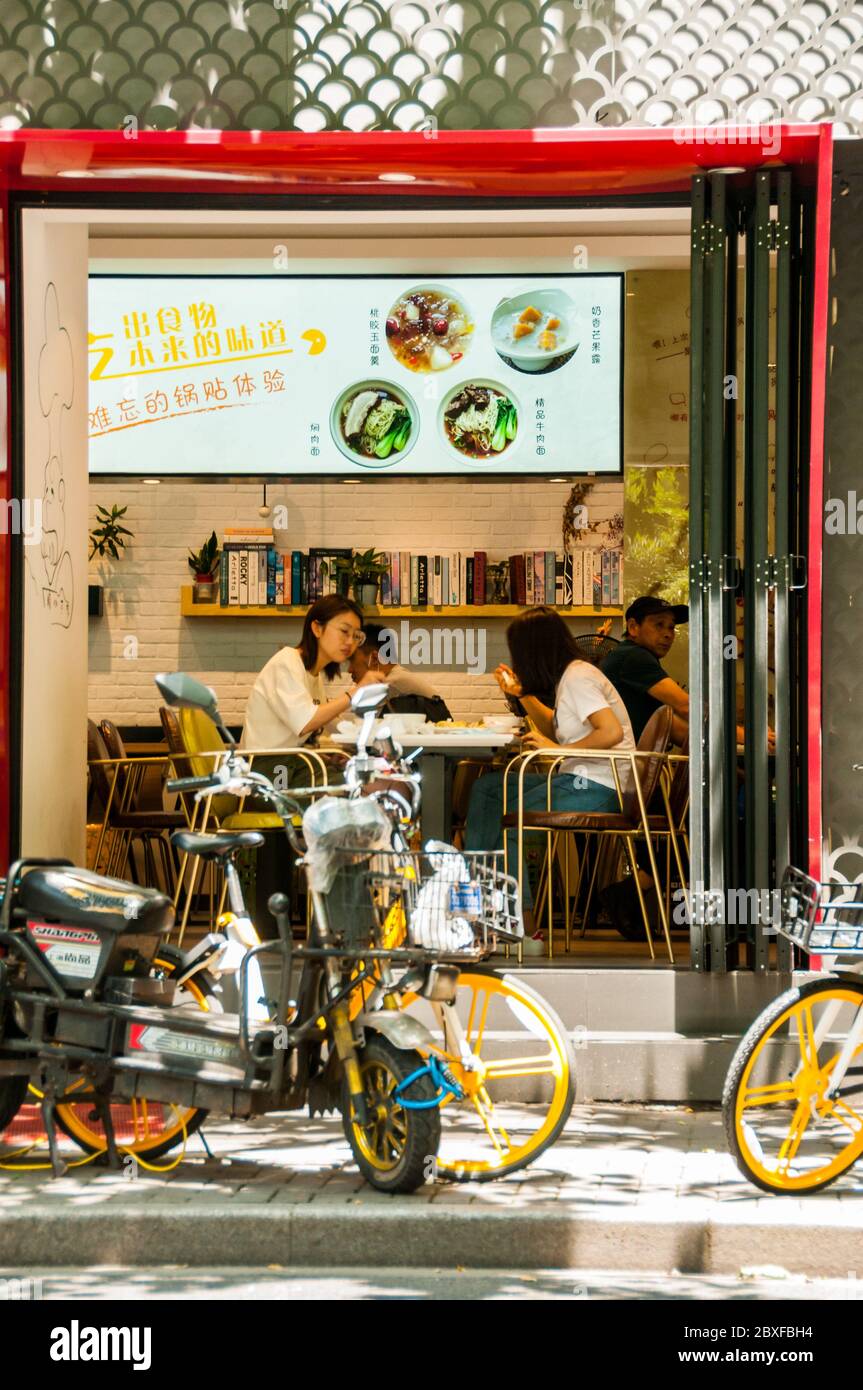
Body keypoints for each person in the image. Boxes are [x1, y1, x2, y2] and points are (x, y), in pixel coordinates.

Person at [464, 607, 635, 921]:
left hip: (603, 786)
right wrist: (522, 693)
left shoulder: (579, 677)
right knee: (488, 789)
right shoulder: (571, 676)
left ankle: (521, 924)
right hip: (582, 778)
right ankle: (480, 898)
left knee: (513, 821)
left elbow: (610, 732)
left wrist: (558, 749)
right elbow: (553, 726)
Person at [243, 595, 380, 750]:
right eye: (344, 631)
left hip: (292, 762)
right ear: (317, 628)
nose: (350, 642)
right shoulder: (286, 662)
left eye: (356, 636)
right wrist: (358, 691)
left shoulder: (314, 676)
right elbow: (306, 723)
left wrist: (372, 736)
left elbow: (332, 723)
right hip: (265, 765)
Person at [348, 622, 452, 721]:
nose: (349, 670)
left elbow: (367, 728)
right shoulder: (396, 676)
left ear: (375, 658)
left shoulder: (392, 684)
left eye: (352, 661)